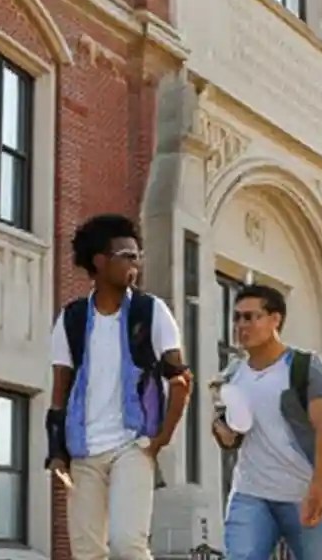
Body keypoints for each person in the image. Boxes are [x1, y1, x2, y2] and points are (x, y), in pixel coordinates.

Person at [45, 214, 191, 560]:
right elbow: (59, 391)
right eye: (126, 255)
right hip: (83, 450)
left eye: (138, 255)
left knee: (128, 545)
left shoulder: (151, 311)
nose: (135, 263)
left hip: (133, 444)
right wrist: (56, 450)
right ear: (99, 261)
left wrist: (162, 438)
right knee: (86, 552)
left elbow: (181, 379)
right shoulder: (72, 319)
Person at [212, 284, 322, 560]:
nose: (241, 325)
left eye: (250, 317)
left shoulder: (304, 367)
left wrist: (320, 488)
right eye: (236, 318)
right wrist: (221, 422)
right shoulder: (233, 374)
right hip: (251, 494)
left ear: (275, 319)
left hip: (302, 493)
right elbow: (230, 439)